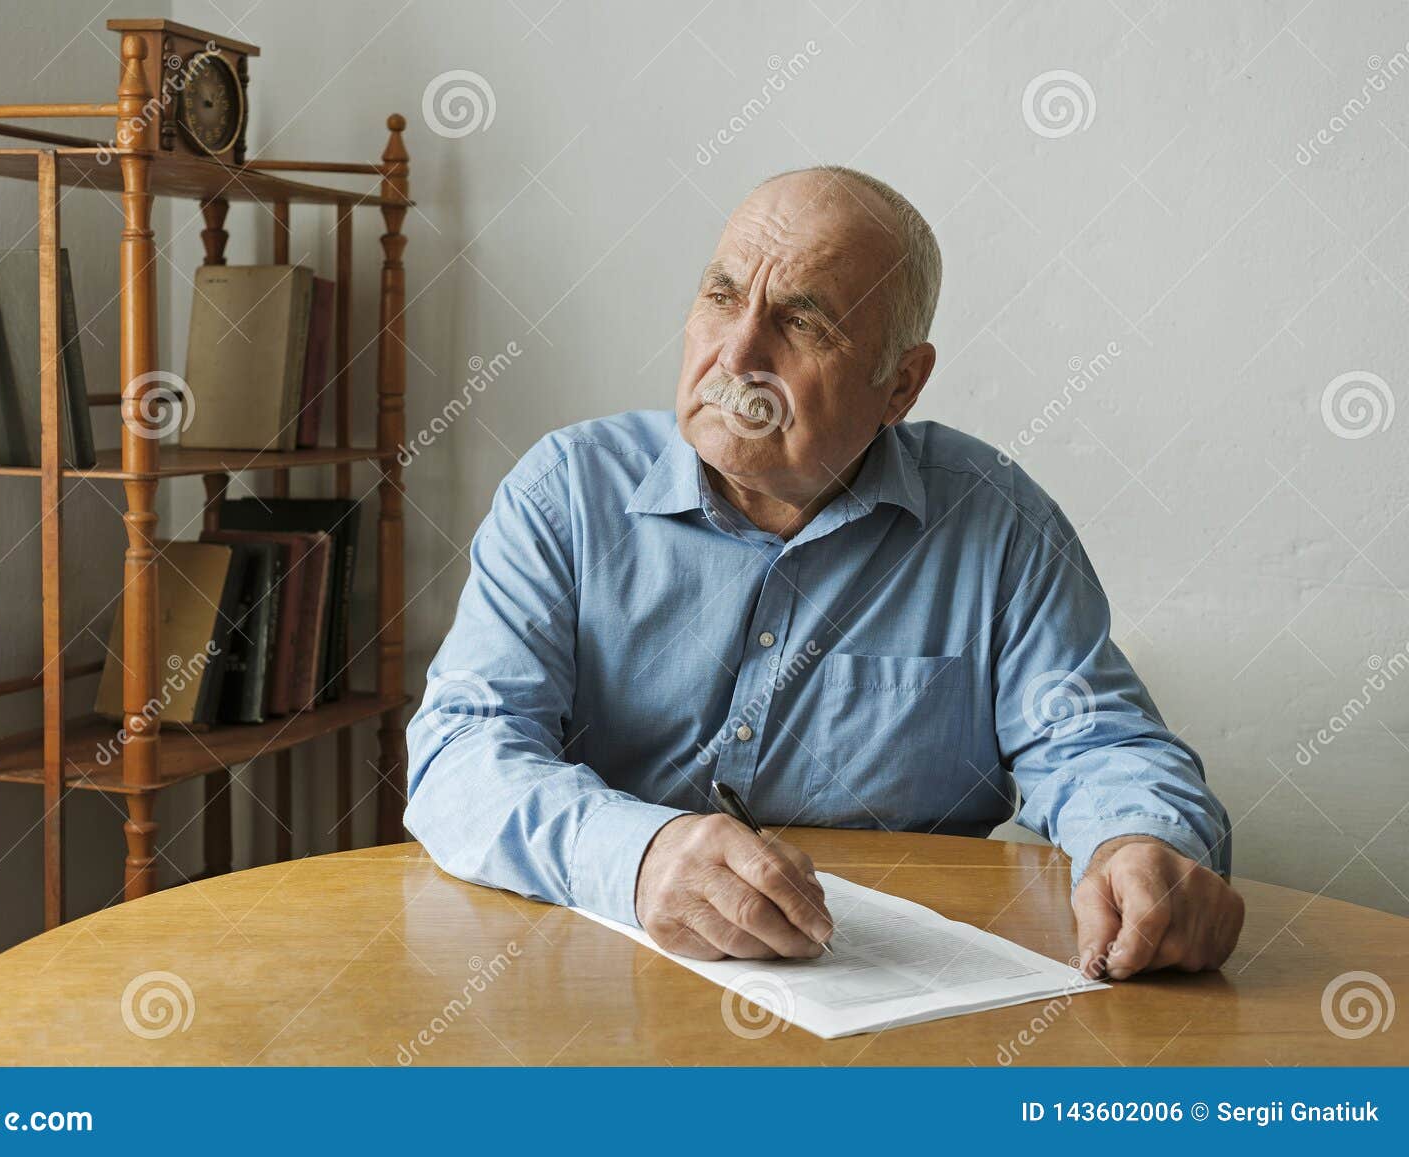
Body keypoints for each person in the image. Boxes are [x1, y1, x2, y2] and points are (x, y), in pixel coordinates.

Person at [404, 165, 1244, 981]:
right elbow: (461, 755)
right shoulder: (567, 494)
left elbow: (1099, 744)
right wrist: (640, 853)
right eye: (723, 296)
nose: (738, 354)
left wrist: (1140, 842)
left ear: (900, 384)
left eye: (803, 323)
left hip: (901, 996)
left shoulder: (995, 523)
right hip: (594, 978)